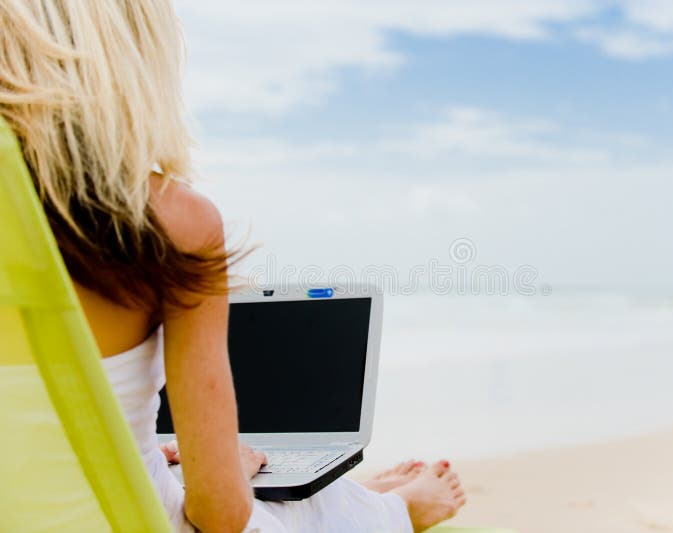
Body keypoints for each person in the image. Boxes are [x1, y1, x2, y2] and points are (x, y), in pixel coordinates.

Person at [0, 1, 465, 531]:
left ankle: (355, 502)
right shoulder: (171, 223)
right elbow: (218, 515)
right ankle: (397, 511)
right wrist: (230, 474)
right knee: (260, 500)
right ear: (129, 62)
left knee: (268, 492)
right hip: (135, 520)